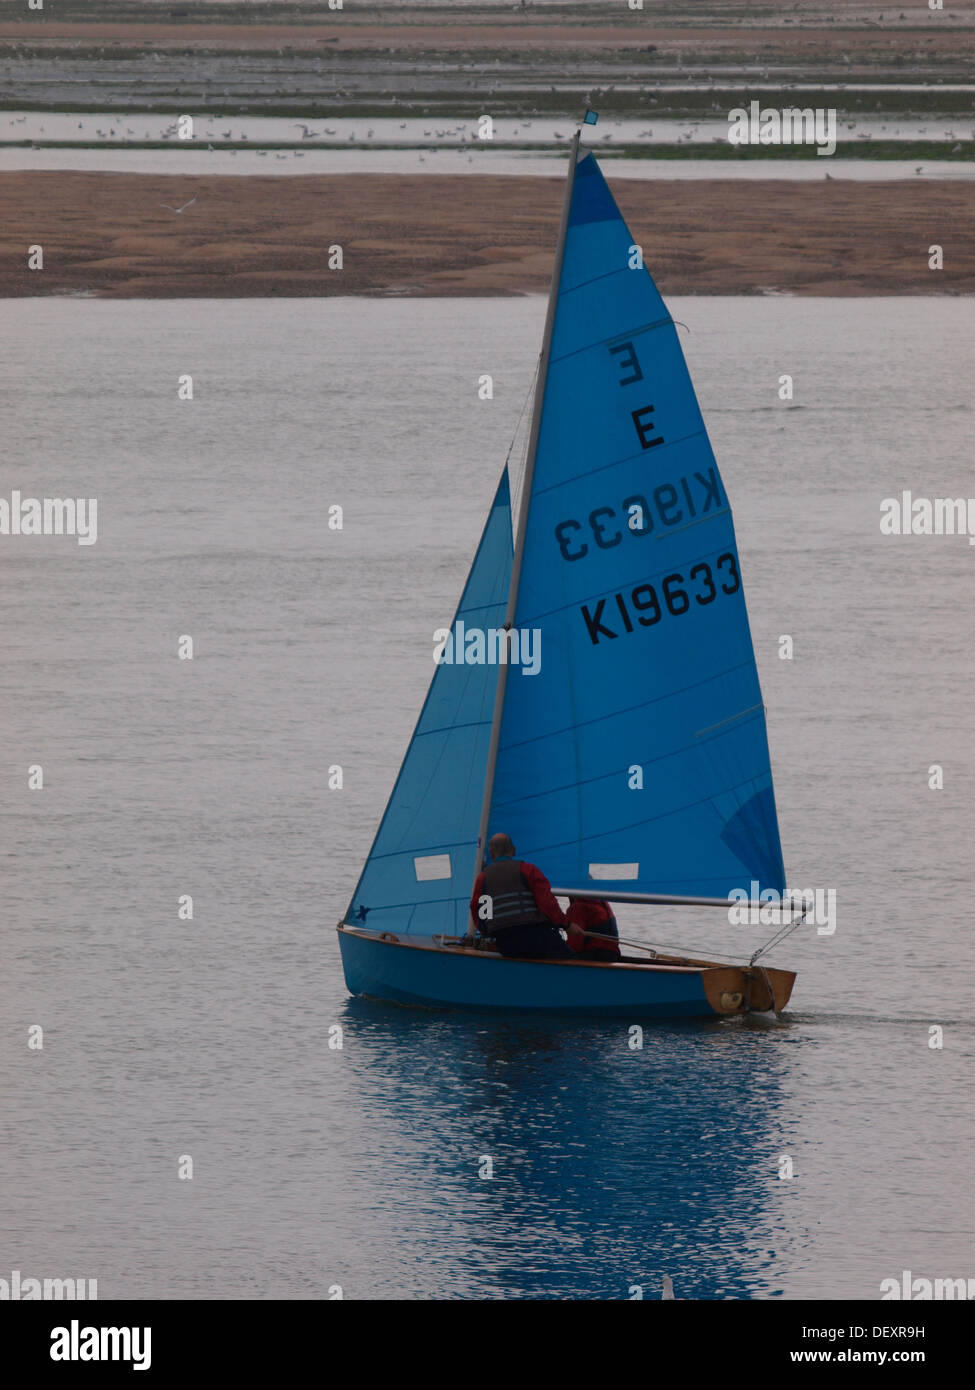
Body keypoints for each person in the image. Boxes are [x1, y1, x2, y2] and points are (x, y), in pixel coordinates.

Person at [469, 833, 575, 960]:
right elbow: (547, 904)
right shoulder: (528, 870)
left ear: (491, 854)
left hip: (505, 941)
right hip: (534, 935)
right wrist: (566, 925)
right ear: (513, 850)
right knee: (570, 959)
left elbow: (477, 909)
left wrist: (486, 931)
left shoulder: (482, 879)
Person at [565, 896, 621, 963]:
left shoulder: (578, 907)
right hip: (613, 955)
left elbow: (575, 945)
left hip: (595, 955)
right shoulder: (603, 902)